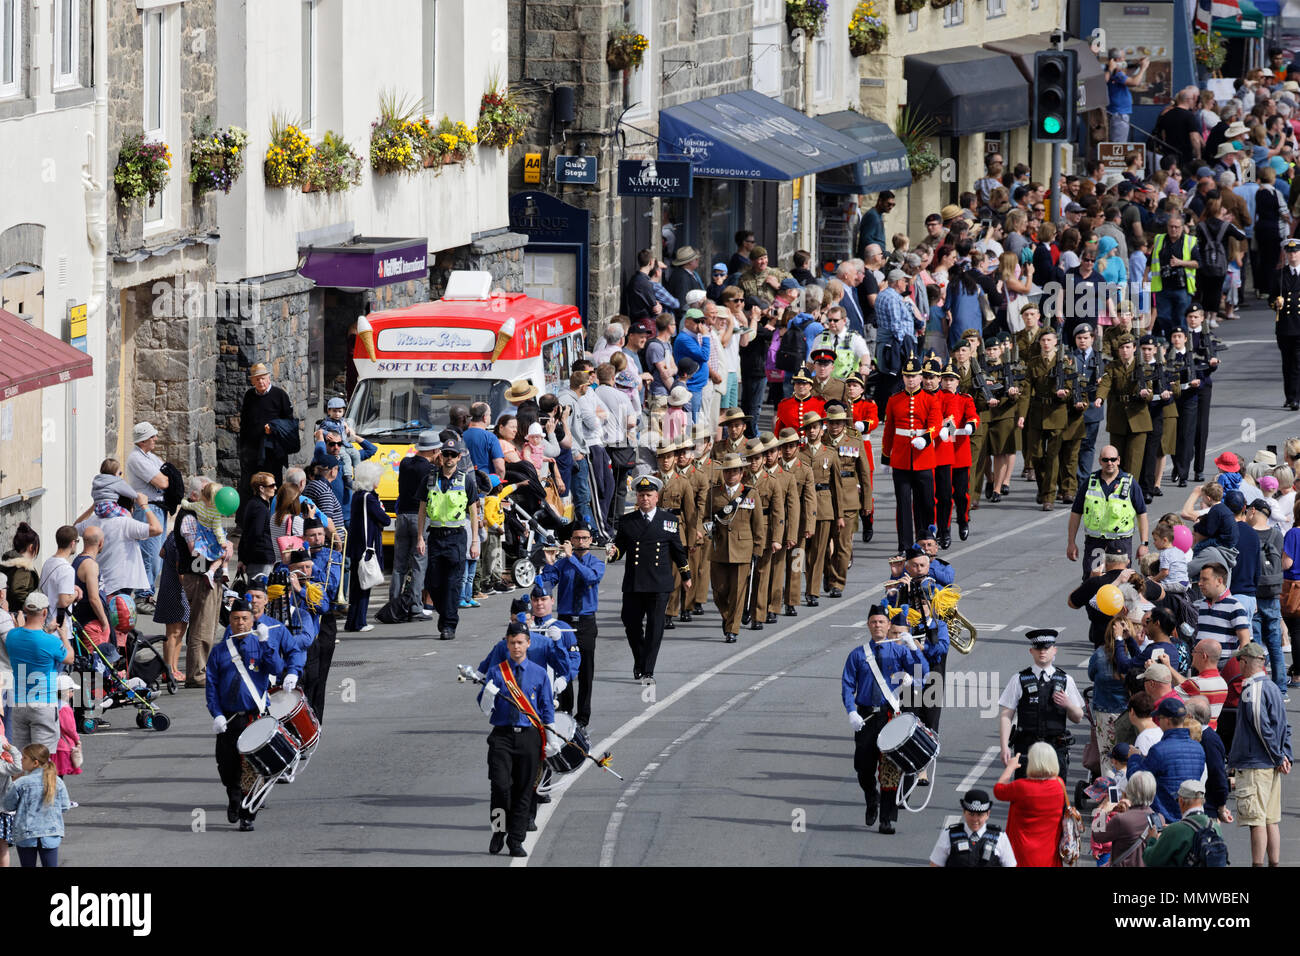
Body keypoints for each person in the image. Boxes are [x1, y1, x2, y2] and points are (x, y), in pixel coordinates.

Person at [842, 604, 927, 834]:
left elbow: (923, 675)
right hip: (866, 716)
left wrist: (915, 653)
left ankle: (887, 819)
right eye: (873, 622)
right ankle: (872, 798)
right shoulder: (858, 654)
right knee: (863, 767)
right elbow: (848, 685)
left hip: (891, 715)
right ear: (868, 626)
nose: (877, 625)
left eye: (881, 622)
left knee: (890, 769)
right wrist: (851, 711)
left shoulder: (899, 652)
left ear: (888, 626)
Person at [476, 624, 554, 857]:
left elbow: (546, 709)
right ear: (506, 644)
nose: (516, 647)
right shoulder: (497, 672)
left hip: (529, 737)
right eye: (512, 643)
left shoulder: (539, 673)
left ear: (528, 643)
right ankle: (499, 830)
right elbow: (483, 709)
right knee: (500, 787)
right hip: (502, 736)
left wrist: (550, 739)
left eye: (520, 642)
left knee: (524, 791)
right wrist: (488, 695)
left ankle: (516, 840)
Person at [205, 600, 283, 831]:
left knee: (254, 768)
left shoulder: (260, 644)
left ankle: (248, 815)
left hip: (254, 717)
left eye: (245, 619)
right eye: (236, 619)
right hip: (229, 719)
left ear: (252, 620)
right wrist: (216, 715)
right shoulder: (219, 651)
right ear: (230, 622)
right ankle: (233, 796)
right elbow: (211, 686)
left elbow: (277, 669)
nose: (240, 623)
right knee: (228, 766)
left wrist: (266, 642)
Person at [608, 475, 691, 683]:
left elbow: (678, 550)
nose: (644, 499)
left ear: (657, 497)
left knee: (655, 627)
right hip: (635, 583)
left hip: (658, 583)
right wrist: (612, 554)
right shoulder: (628, 521)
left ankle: (647, 670)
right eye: (641, 495)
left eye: (649, 495)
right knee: (630, 623)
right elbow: (621, 549)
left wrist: (686, 575)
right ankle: (640, 658)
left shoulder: (669, 521)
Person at [1228, 643, 1293, 866]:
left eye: (1239, 661)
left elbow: (1260, 724)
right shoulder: (1274, 688)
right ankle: (1274, 863)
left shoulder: (1251, 689)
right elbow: (1284, 726)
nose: (1238, 665)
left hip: (1256, 764)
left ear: (1246, 662)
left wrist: (1277, 756)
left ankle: (1257, 864)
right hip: (1269, 763)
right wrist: (1285, 755)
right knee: (1270, 820)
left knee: (1257, 821)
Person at [537, 519, 604, 730]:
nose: (581, 541)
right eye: (577, 538)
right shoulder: (562, 563)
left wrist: (570, 557)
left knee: (585, 671)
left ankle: (583, 717)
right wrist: (548, 565)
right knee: (563, 667)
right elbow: (545, 587)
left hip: (585, 621)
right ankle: (565, 712)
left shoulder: (596, 562)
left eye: (585, 538)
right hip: (564, 621)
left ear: (591, 540)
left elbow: (590, 579)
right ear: (571, 539)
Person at [998, 630, 1086, 783]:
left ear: (1054, 650)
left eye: (1046, 648)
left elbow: (1078, 717)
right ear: (1031, 651)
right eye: (1038, 648)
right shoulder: (1019, 679)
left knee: (1056, 795)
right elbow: (1007, 714)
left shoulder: (1065, 680)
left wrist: (1068, 704)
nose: (1042, 652)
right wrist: (1004, 746)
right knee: (1024, 794)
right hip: (1027, 747)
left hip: (1055, 747)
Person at [417, 437, 480, 642]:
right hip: (435, 536)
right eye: (446, 454)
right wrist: (420, 537)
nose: (449, 458)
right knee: (433, 583)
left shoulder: (466, 480)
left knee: (452, 584)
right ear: (440, 455)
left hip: (456, 538)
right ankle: (445, 615)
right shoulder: (430, 478)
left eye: (453, 455)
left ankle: (449, 625)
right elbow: (422, 510)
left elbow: (473, 512)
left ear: (459, 457)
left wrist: (475, 541)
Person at [881, 357, 943, 552]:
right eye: (907, 376)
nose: (911, 380)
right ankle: (905, 545)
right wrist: (885, 456)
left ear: (921, 377)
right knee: (903, 504)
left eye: (914, 376)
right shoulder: (894, 400)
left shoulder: (930, 399)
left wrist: (925, 438)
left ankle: (925, 539)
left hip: (922, 458)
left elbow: (936, 424)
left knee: (925, 502)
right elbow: (889, 429)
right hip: (900, 458)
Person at [1067, 443, 1150, 580]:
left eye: (1113, 459)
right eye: (1105, 460)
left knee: (1121, 582)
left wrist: (1144, 544)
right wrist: (1071, 542)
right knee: (1092, 580)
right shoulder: (1090, 482)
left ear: (1118, 460)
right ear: (1100, 461)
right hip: (1095, 544)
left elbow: (1142, 514)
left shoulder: (1129, 483)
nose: (1109, 463)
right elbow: (1076, 513)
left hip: (1120, 543)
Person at [3, 593, 72, 751]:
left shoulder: (13, 635)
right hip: (43, 703)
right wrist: (64, 637)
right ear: (45, 612)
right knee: (42, 758)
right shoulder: (51, 641)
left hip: (19, 702)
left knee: (22, 757)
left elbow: (31, 641)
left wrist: (45, 630)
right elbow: (70, 658)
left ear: (25, 610)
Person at [1128, 696, 1206, 824]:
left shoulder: (1159, 750)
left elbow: (1138, 781)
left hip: (1164, 819)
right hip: (1190, 818)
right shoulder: (1198, 748)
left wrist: (1134, 758)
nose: (1157, 721)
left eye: (1159, 718)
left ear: (1168, 721)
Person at [389, 431, 440, 622]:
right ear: (434, 449)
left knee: (399, 565)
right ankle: (416, 606)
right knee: (419, 564)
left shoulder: (404, 463)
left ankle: (393, 604)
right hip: (420, 517)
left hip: (401, 515)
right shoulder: (429, 470)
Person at [993, 742, 1067, 867]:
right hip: (1050, 851)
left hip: (1021, 852)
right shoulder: (1060, 785)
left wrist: (1010, 767)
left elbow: (998, 790)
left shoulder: (1022, 787)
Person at [237, 363, 297, 515]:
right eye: (257, 380)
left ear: (269, 378)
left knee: (272, 485)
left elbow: (290, 423)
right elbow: (244, 423)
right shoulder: (249, 396)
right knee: (248, 485)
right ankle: (245, 521)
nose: (261, 382)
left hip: (272, 452)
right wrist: (242, 449)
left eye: (263, 378)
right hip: (251, 451)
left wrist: (274, 427)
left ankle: (274, 519)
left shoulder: (280, 395)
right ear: (252, 381)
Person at [124, 421, 170, 610]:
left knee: (158, 555)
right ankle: (143, 596)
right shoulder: (136, 459)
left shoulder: (149, 456)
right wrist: (167, 478)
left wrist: (168, 477)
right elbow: (163, 481)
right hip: (147, 509)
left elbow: (168, 474)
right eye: (152, 436)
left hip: (158, 508)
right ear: (142, 440)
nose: (156, 439)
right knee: (149, 555)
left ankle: (148, 593)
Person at [2, 744, 71, 867]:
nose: (22, 760)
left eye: (24, 758)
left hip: (26, 833)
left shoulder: (20, 783)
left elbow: (8, 805)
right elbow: (65, 805)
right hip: (51, 832)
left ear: (35, 763)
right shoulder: (56, 781)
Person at [798, 412, 840, 608]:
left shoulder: (830, 454)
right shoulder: (799, 454)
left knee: (818, 551)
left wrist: (839, 515)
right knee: (800, 552)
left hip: (824, 506)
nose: (812, 431)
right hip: (802, 508)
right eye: (809, 428)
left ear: (822, 429)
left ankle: (812, 591)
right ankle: (795, 588)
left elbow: (837, 487)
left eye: (815, 427)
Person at [1141, 779, 1225, 867]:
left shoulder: (1174, 830)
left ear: (1181, 801)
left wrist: (1152, 839)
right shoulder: (1214, 826)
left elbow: (1151, 861)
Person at [1092, 770, 1164, 866]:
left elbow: (1097, 835)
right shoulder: (1159, 818)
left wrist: (1103, 811)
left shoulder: (1121, 820)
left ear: (1128, 791)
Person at [930, 788, 1017, 866]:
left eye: (980, 815)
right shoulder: (949, 835)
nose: (975, 819)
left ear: (988, 814)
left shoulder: (1000, 838)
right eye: (971, 814)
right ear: (964, 812)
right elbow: (935, 864)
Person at [1273, 237, 1300, 410]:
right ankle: (1289, 396)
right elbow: (1270, 298)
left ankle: (1295, 397)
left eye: (1296, 252)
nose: (1293, 255)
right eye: (1290, 252)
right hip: (1284, 327)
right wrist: (1275, 303)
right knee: (1287, 363)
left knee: (1298, 363)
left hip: (1299, 326)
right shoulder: (1280, 275)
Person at [237, 472, 278, 583]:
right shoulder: (259, 507)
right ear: (261, 488)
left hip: (258, 557)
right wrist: (244, 559)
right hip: (260, 558)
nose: (275, 488)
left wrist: (242, 558)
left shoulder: (256, 504)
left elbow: (246, 533)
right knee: (259, 591)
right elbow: (254, 534)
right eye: (271, 485)